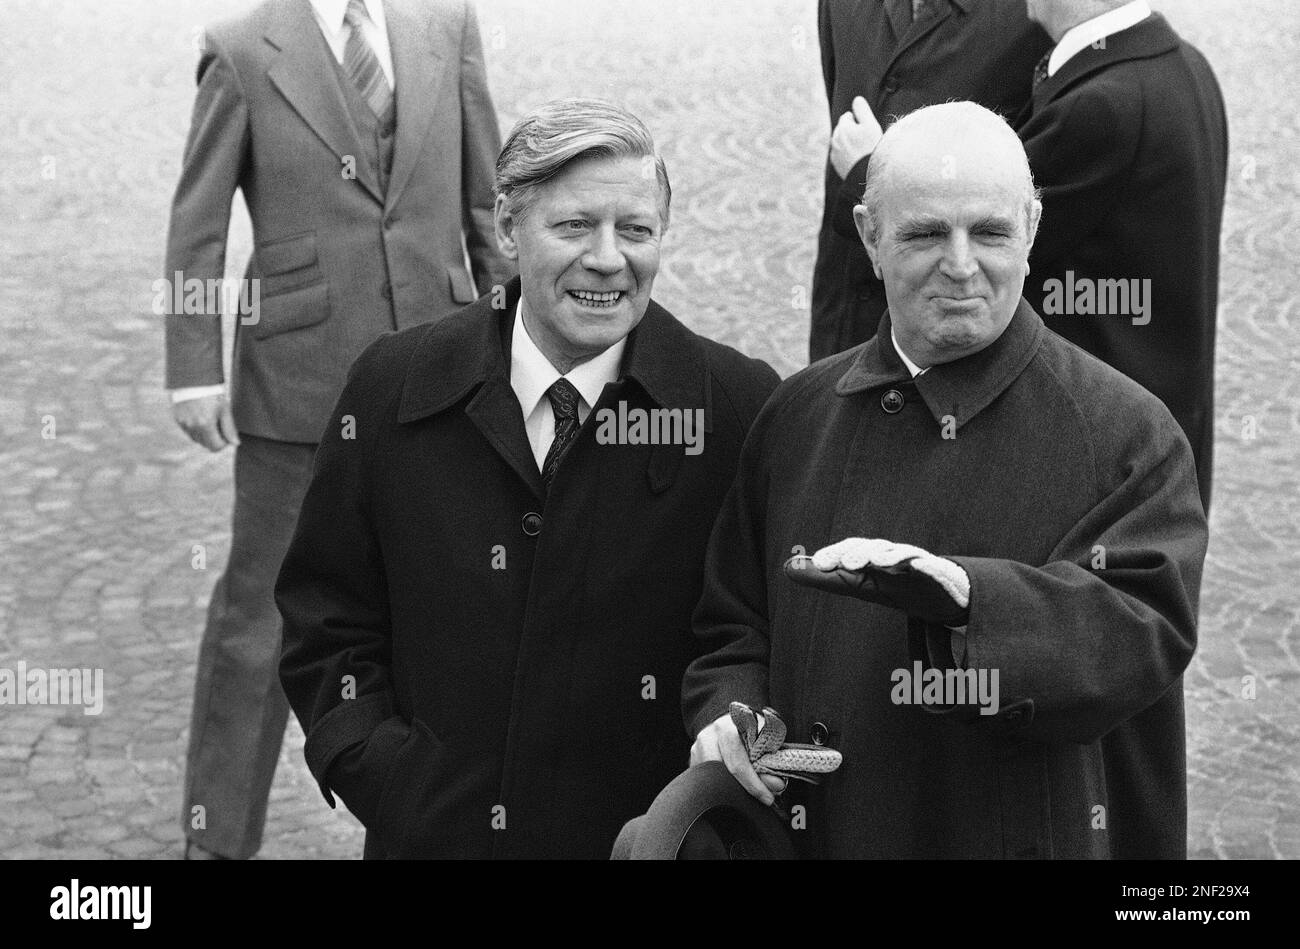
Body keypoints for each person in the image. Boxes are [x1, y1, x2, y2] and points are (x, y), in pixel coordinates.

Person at [685, 102, 1207, 859]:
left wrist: (968, 597)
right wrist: (736, 715)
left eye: (989, 232)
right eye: (926, 233)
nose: (961, 265)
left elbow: (1143, 632)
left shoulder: (1127, 432)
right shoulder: (796, 414)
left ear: (1031, 227)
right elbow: (732, 624)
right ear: (868, 235)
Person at [276, 99, 781, 859]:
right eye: (574, 226)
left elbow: (757, 627)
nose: (609, 258)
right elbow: (327, 614)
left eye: (636, 230)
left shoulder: (736, 407)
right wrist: (382, 771)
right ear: (508, 228)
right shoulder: (393, 387)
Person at [163, 0, 511, 859]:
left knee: (455, 597)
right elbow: (197, 229)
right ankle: (216, 834)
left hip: (439, 368)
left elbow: (487, 205)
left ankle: (449, 821)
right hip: (297, 386)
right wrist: (194, 368)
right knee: (259, 617)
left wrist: (515, 336)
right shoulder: (242, 50)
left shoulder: (446, 27)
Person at [1017, 0, 1228, 511]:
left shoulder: (1101, 105)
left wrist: (866, 172)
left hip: (1102, 457)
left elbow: (991, 236)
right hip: (1168, 434)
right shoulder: (1188, 65)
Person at [810, 0, 1050, 362]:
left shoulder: (1035, 14)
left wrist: (865, 170)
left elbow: (1023, 203)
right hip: (843, 312)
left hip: (957, 341)